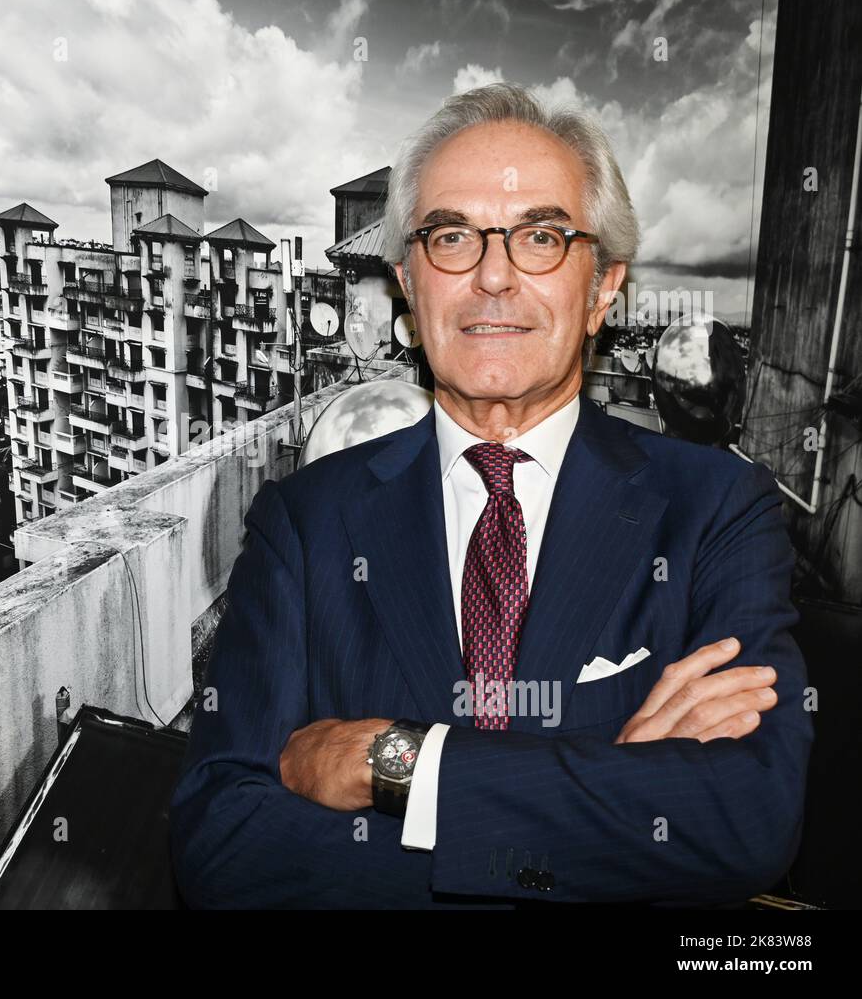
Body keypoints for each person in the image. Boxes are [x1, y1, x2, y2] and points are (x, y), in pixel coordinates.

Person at [166, 82, 813, 909]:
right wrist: (612, 788)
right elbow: (221, 849)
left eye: (540, 236)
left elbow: (746, 816)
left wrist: (402, 765)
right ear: (409, 283)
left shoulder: (718, 506)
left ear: (604, 287)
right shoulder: (305, 522)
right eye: (452, 238)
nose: (494, 277)